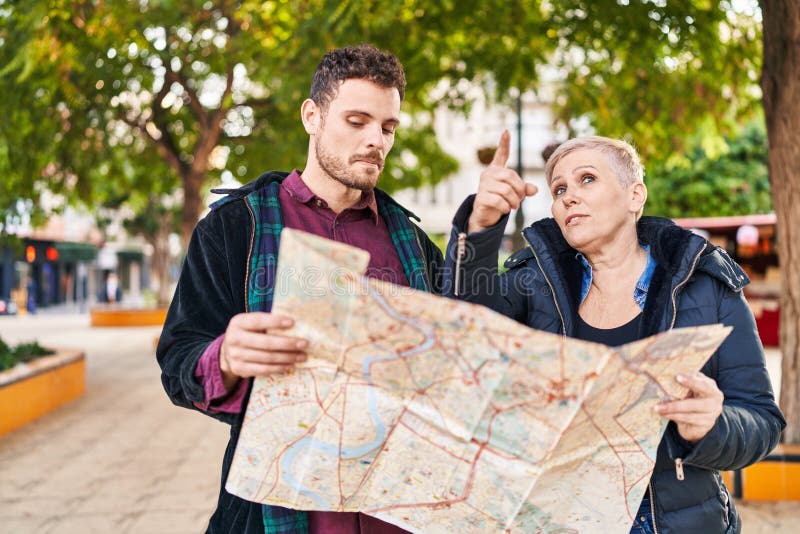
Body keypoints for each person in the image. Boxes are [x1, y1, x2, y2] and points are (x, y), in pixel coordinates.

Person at [156, 44, 443, 534]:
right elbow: (179, 358)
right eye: (357, 121)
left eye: (388, 127)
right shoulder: (233, 228)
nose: (376, 140)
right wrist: (224, 358)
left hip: (398, 511)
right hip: (279, 513)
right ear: (312, 116)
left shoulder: (414, 244)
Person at [446, 133, 785, 533]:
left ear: (634, 196)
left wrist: (713, 426)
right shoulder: (531, 284)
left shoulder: (705, 285)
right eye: (559, 189)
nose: (569, 196)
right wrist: (481, 228)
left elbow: (762, 419)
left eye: (587, 179)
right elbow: (465, 330)